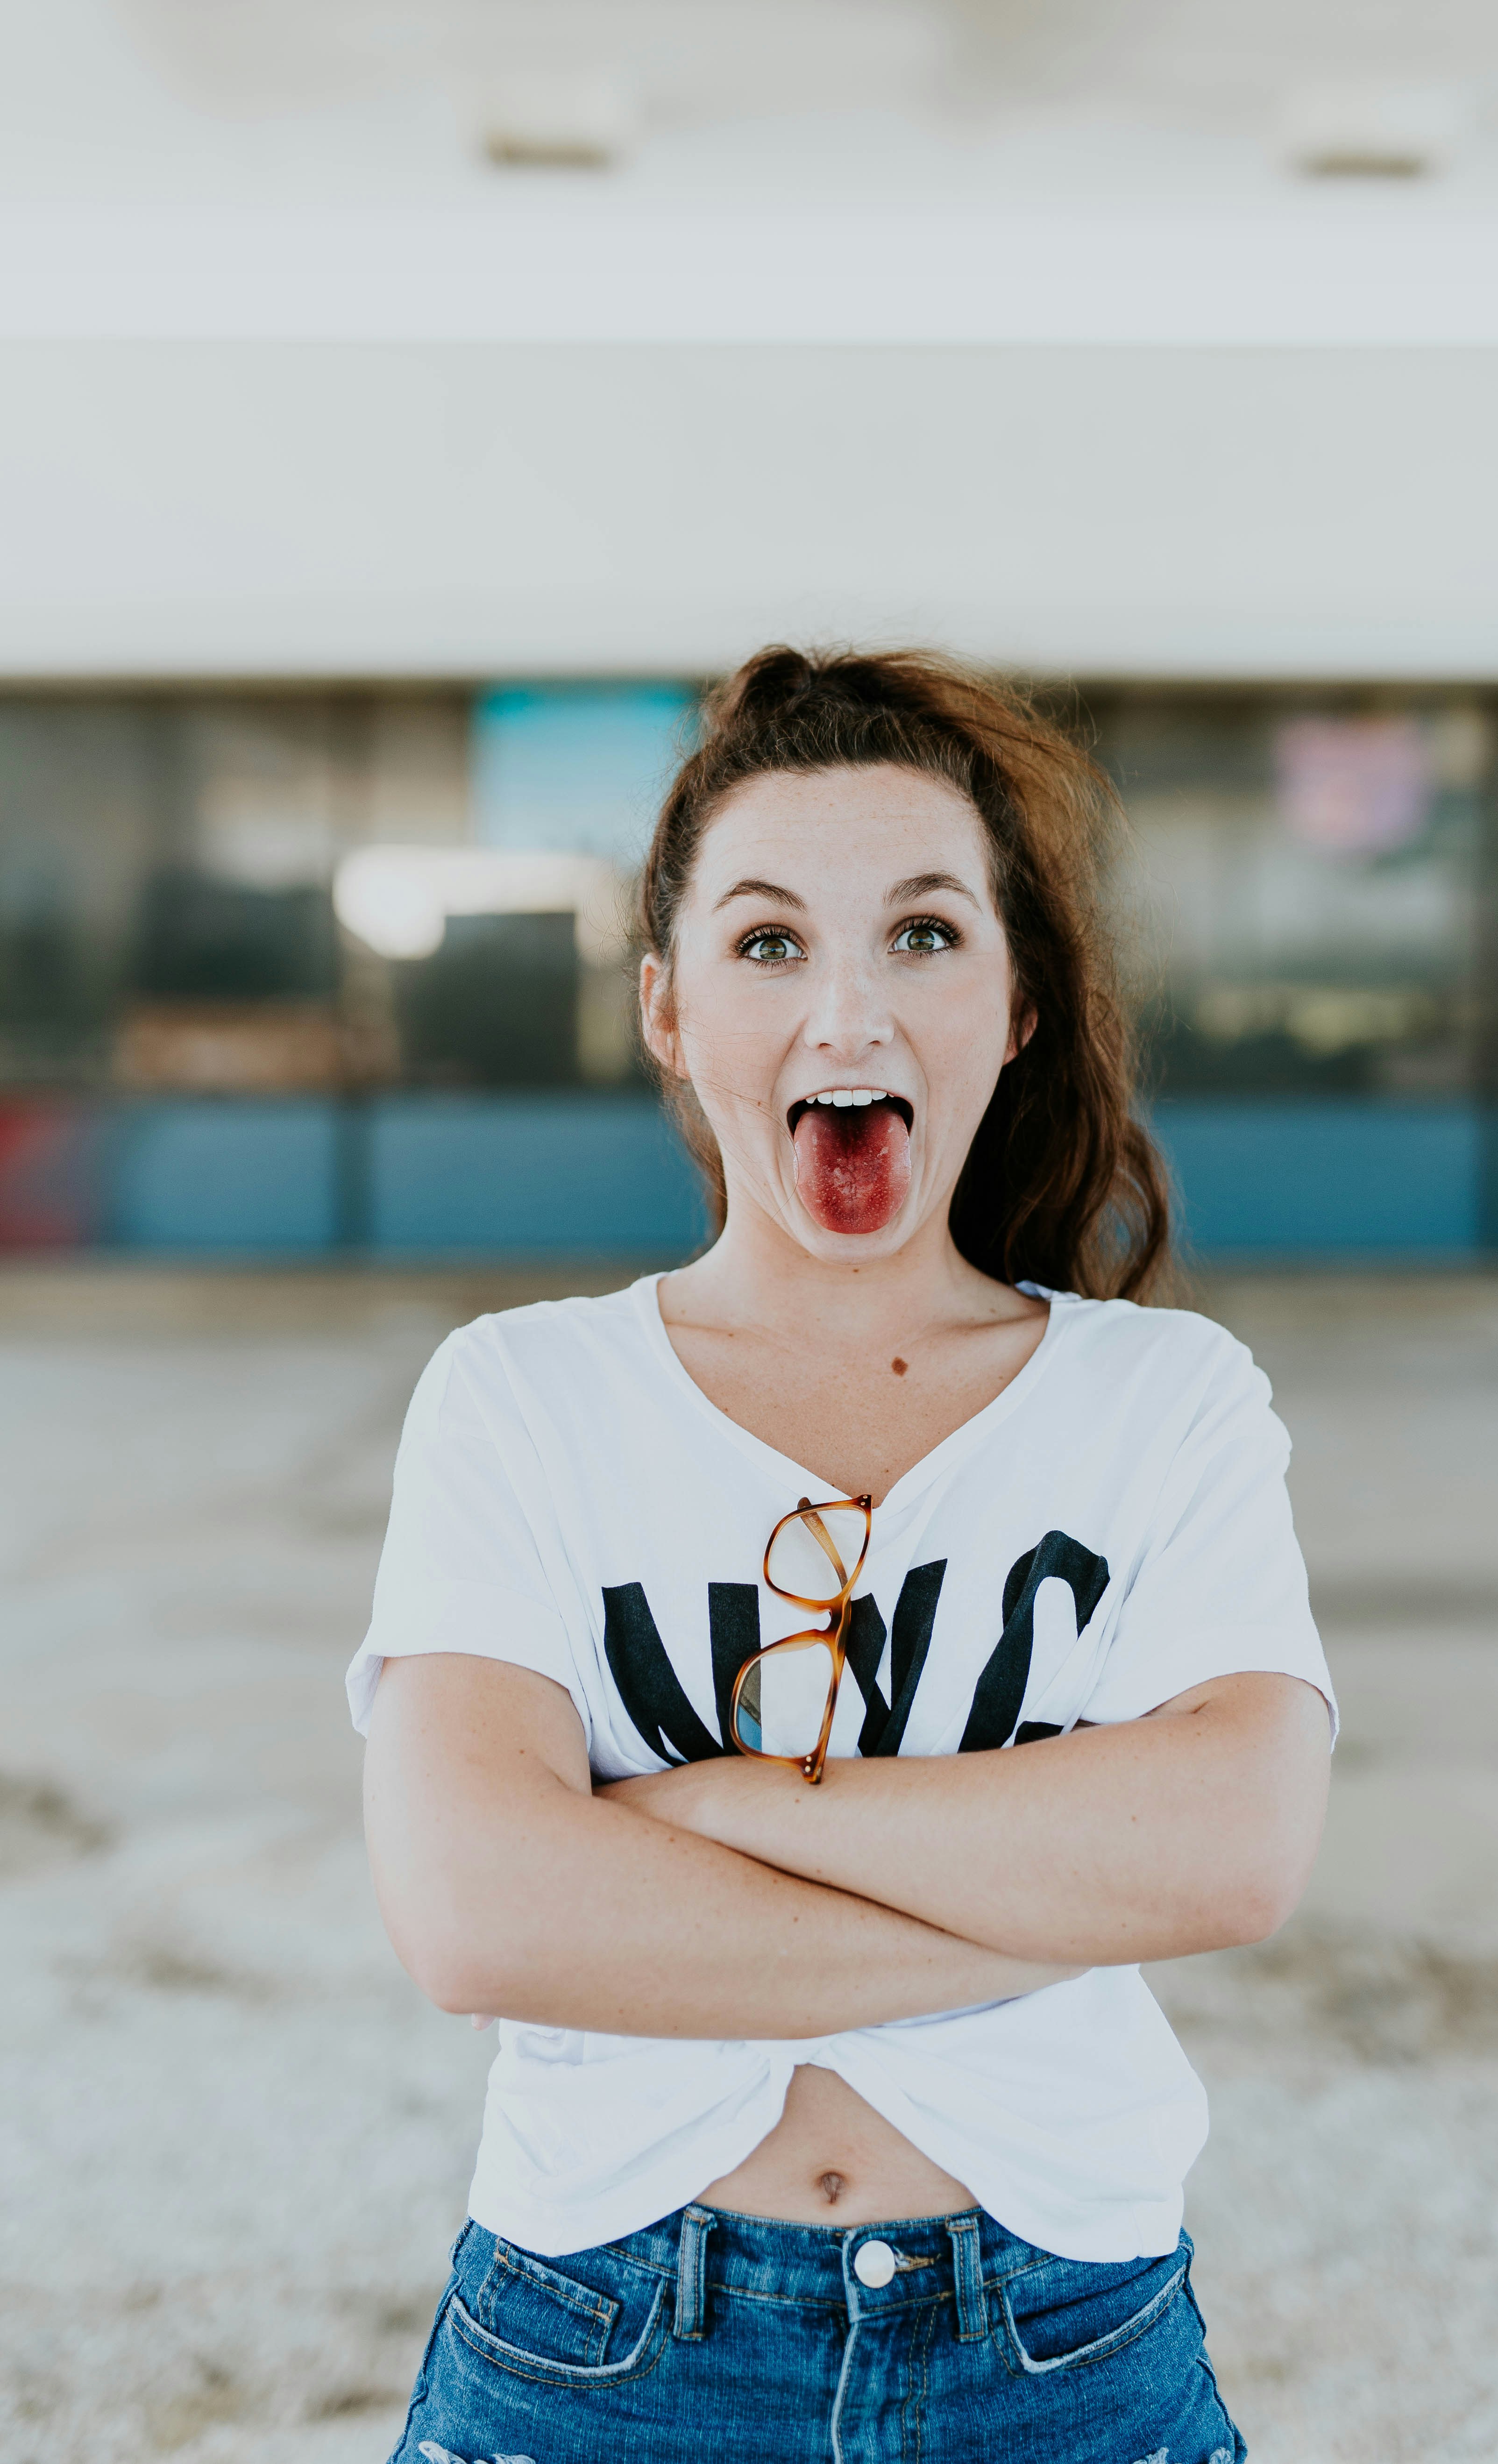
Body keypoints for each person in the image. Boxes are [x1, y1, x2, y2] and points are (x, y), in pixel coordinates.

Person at [349, 646, 1335, 2464]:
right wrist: (1038, 1890)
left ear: (1021, 999)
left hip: (1057, 2335)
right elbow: (482, 1906)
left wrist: (712, 1808)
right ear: (666, 1007)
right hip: (604, 2335)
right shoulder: (521, 1395)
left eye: (926, 933)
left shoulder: (1161, 1398)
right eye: (769, 940)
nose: (848, 1011)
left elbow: (1231, 1847)